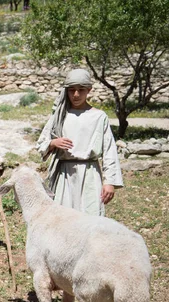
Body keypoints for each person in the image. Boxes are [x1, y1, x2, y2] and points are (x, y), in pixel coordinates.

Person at [36, 68, 123, 216]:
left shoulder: (98, 116)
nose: (76, 95)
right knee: (63, 218)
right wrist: (53, 143)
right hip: (64, 174)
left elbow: (109, 151)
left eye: (81, 90)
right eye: (72, 90)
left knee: (90, 217)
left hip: (90, 173)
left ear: (89, 90)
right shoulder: (60, 116)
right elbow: (41, 143)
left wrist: (109, 182)